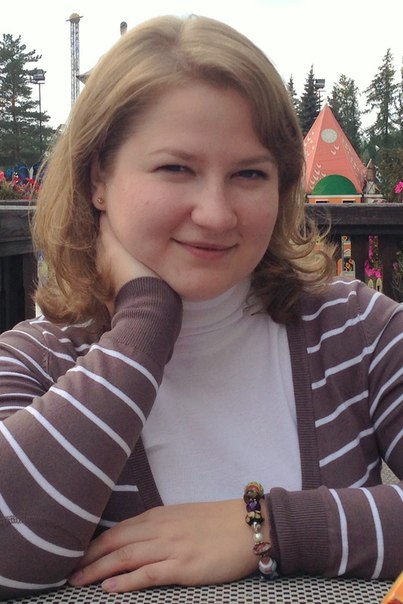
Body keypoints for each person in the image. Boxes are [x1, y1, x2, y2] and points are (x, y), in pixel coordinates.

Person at [0, 14, 402, 601]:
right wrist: (143, 327)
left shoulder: (358, 331)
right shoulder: (37, 362)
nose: (215, 214)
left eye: (249, 174)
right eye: (176, 168)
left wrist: (267, 527)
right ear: (98, 178)